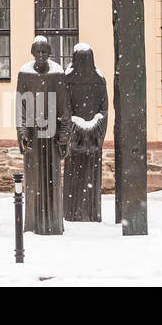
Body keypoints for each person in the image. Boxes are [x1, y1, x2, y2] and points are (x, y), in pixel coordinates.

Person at [15, 36, 70, 234]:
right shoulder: (25, 74)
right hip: (33, 134)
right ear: (32, 53)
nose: (41, 56)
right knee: (33, 180)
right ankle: (33, 223)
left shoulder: (57, 74)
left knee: (52, 179)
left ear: (49, 53)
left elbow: (65, 108)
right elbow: (20, 105)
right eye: (37, 52)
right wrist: (22, 132)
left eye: (44, 52)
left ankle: (53, 223)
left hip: (53, 134)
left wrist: (64, 135)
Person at [64, 43, 109, 222]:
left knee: (83, 177)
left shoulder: (98, 81)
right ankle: (78, 213)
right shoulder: (68, 80)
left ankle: (85, 213)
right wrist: (86, 129)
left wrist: (86, 129)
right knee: (80, 177)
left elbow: (103, 111)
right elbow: (66, 109)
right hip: (82, 139)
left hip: (86, 139)